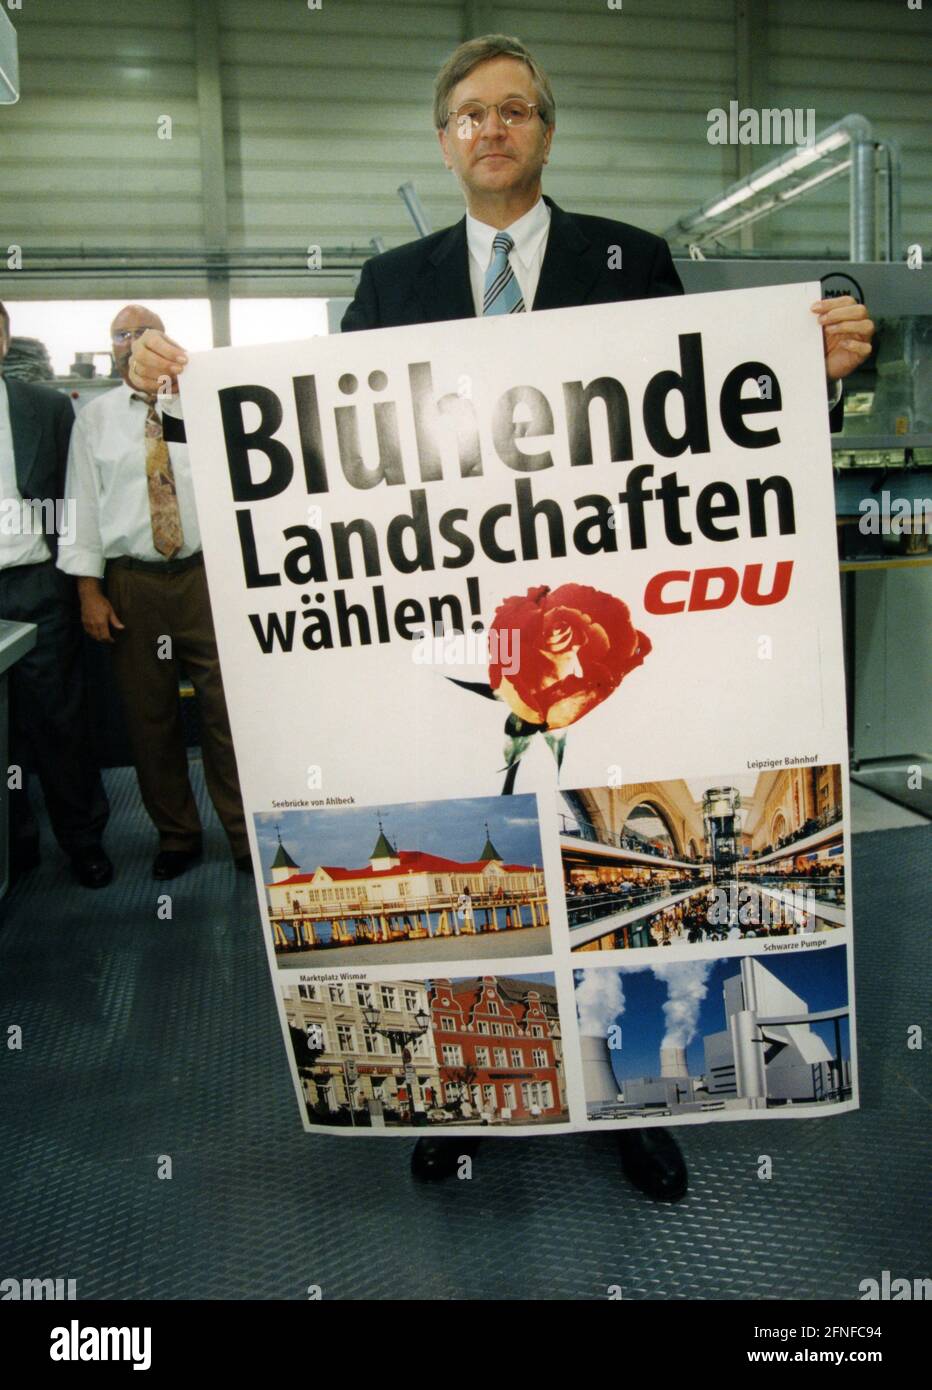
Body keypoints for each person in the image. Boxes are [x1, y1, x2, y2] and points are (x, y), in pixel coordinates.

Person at [126, 34, 874, 1197]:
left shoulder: (629, 258)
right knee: (472, 828)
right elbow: (314, 446)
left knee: (594, 834)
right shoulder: (391, 283)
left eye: (514, 110)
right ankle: (457, 1097)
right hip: (439, 622)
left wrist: (809, 370)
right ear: (443, 137)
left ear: (544, 130)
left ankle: (626, 1101)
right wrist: (185, 400)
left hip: (598, 621)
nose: (492, 129)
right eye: (470, 113)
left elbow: (716, 423)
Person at [58, 305, 249, 881]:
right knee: (150, 718)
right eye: (122, 334)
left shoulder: (201, 404)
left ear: (163, 340)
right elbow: (82, 506)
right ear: (112, 347)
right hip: (133, 585)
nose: (132, 342)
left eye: (144, 332)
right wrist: (90, 594)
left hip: (204, 578)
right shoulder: (94, 419)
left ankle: (244, 835)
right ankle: (177, 836)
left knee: (226, 713)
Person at [0, 301, 112, 889]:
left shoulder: (45, 407)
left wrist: (83, 587)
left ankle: (84, 843)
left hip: (37, 583)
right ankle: (15, 845)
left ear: (4, 339)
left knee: (60, 721)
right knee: (3, 732)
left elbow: (77, 500)